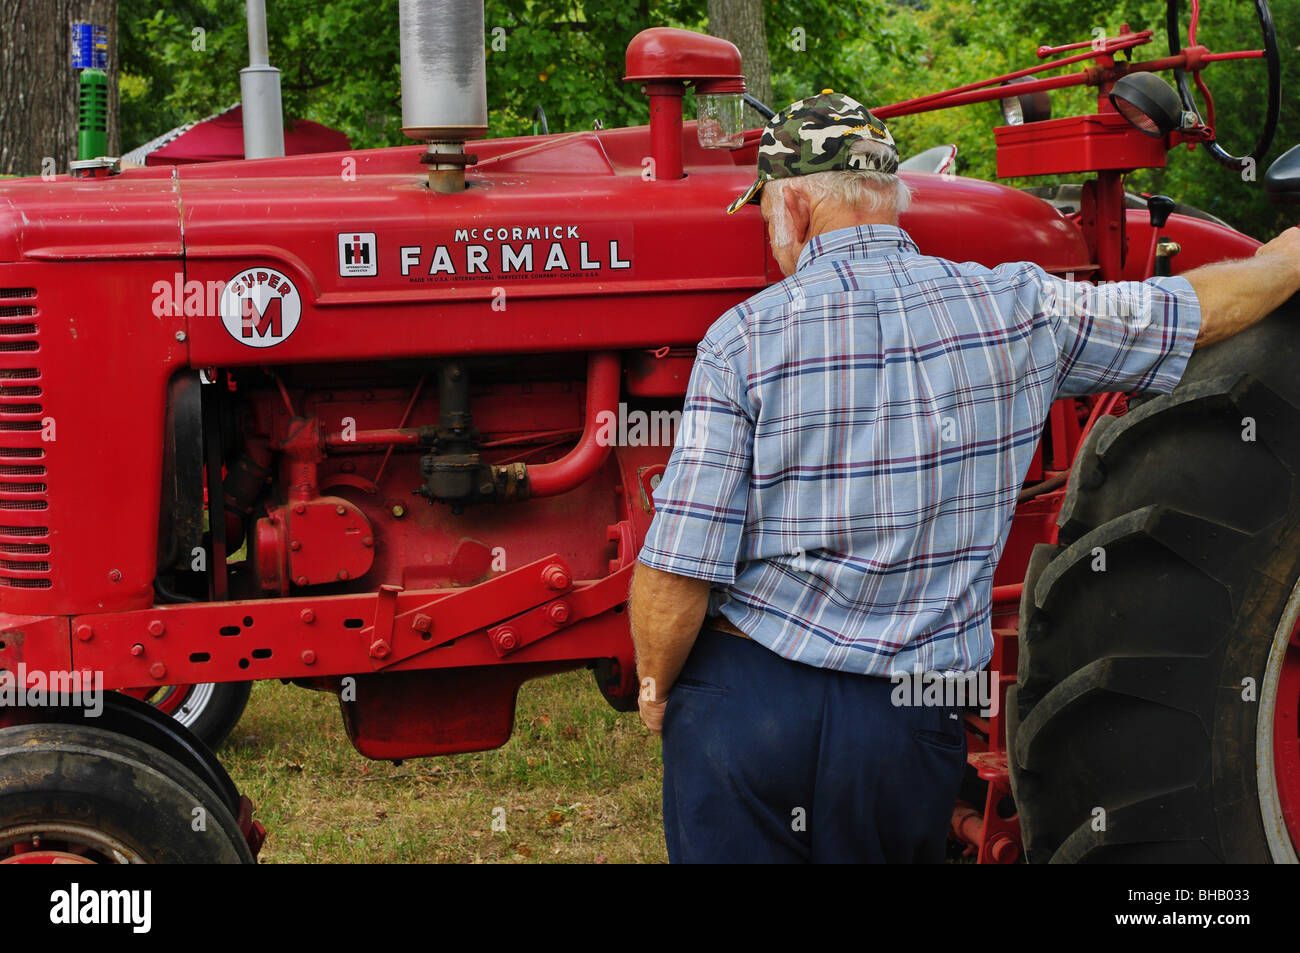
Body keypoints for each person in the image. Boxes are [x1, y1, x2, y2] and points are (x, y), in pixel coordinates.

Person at [628, 90, 1300, 864]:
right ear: (890, 195)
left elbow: (676, 569)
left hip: (750, 705)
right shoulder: (1016, 308)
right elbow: (1186, 310)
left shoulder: (739, 339)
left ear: (793, 208)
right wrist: (1283, 260)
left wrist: (658, 690)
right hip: (908, 715)